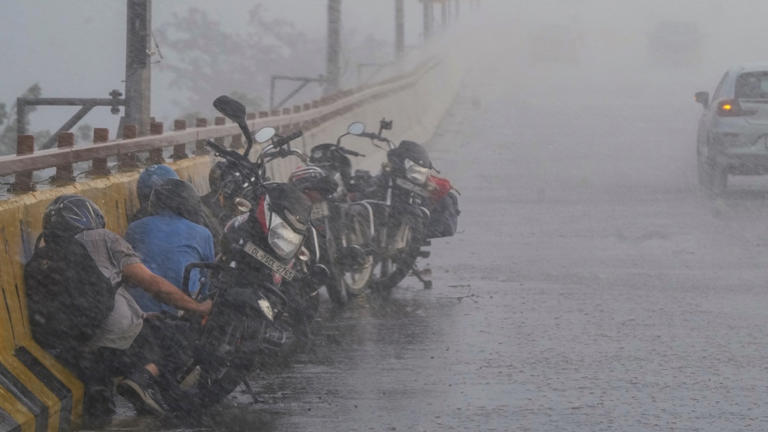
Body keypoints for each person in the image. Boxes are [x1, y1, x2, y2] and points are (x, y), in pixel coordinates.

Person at [25, 195, 211, 424]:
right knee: (183, 336)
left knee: (150, 331)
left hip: (78, 353)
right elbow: (153, 284)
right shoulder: (103, 238)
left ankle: (145, 397)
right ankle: (143, 380)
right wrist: (197, 307)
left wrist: (140, 315)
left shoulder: (43, 255)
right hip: (120, 347)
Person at [125, 178, 215, 314]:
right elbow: (207, 279)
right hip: (184, 312)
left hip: (140, 313)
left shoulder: (134, 228)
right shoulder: (202, 233)